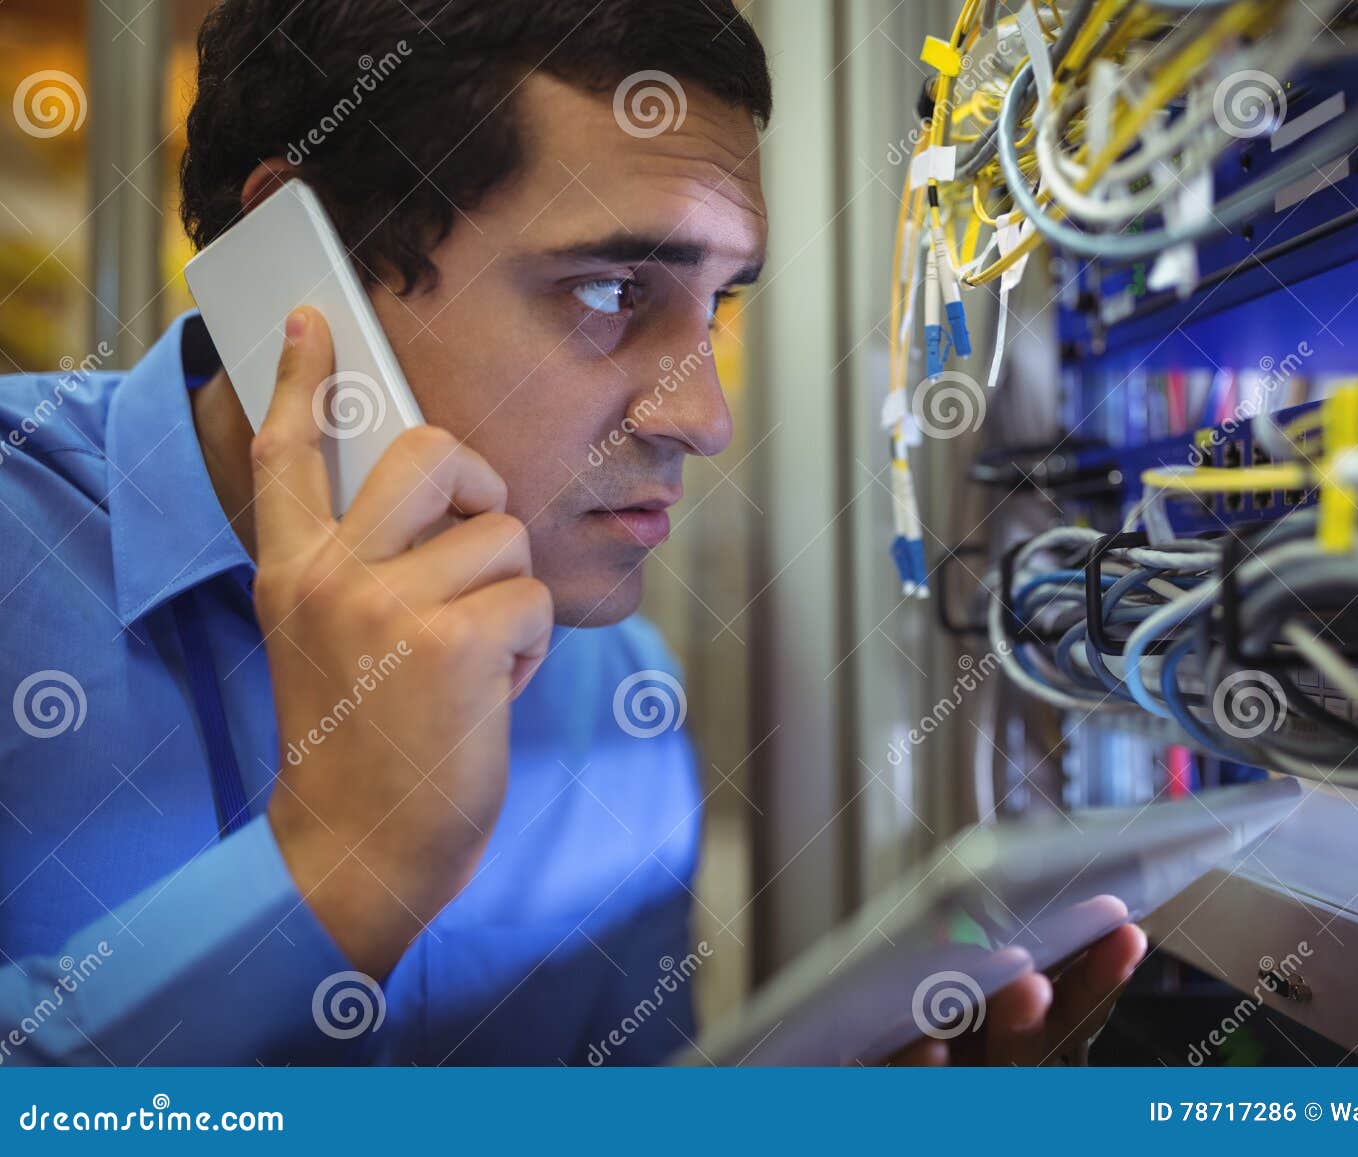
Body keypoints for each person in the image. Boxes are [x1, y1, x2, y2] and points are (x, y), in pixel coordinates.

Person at [0, 0, 1143, 1066]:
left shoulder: (614, 685)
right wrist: (328, 867)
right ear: (304, 268)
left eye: (720, 303)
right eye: (611, 291)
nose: (705, 417)